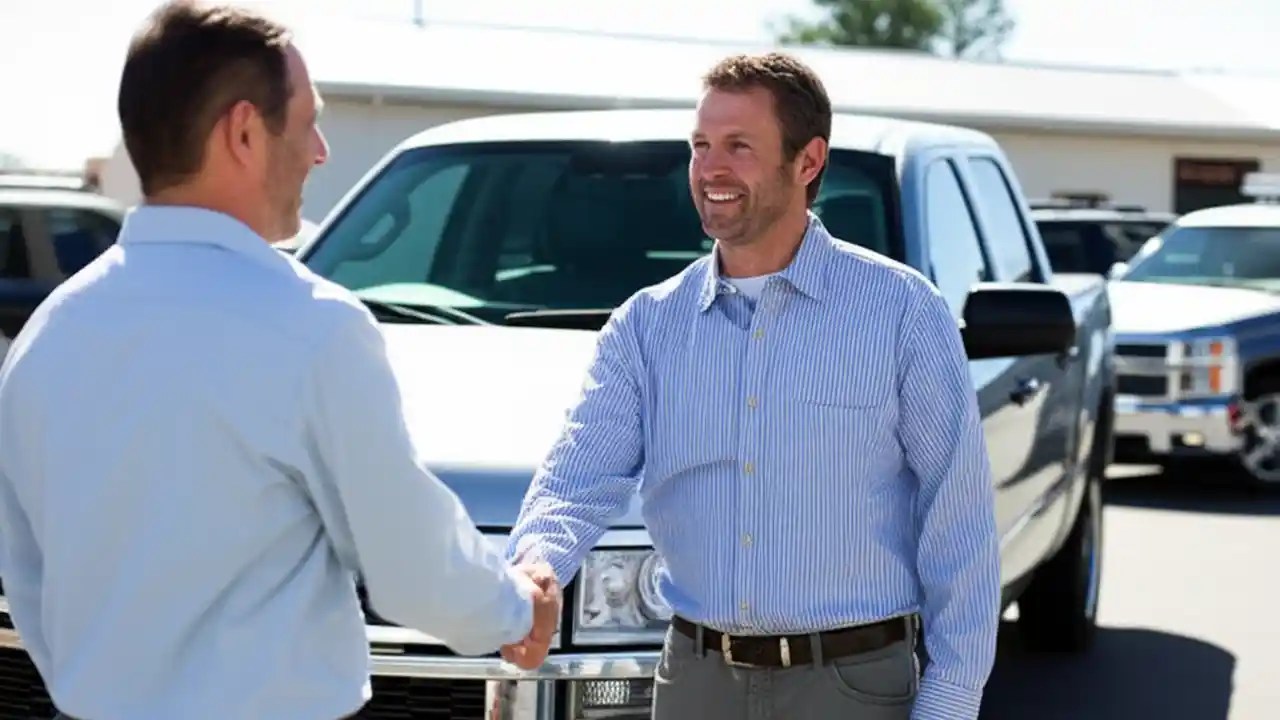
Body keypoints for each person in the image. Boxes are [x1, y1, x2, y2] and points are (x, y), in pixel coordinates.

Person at [0, 2, 557, 719]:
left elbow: (26, 574)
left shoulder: (49, 335)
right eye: (307, 121)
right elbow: (412, 569)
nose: (320, 150)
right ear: (242, 132)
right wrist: (517, 607)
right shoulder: (312, 326)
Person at [504, 52, 1001, 719]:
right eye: (701, 146)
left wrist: (950, 702)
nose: (711, 168)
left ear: (808, 161)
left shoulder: (901, 312)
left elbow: (958, 521)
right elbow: (576, 477)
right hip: (695, 684)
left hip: (850, 688)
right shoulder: (647, 326)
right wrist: (536, 567)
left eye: (739, 146)